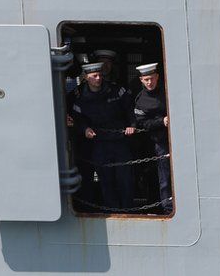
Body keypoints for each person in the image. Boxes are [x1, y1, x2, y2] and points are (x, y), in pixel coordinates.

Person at [71, 62, 136, 211]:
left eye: (100, 75)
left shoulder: (116, 90)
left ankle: (128, 210)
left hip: (120, 140)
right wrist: (84, 129)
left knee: (125, 179)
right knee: (106, 180)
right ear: (87, 78)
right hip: (99, 143)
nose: (99, 78)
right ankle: (112, 210)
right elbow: (77, 117)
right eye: (94, 76)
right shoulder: (79, 95)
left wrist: (132, 125)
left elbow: (129, 109)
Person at [132, 63, 172, 213]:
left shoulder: (167, 91)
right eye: (146, 79)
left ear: (157, 77)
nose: (150, 82)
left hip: (175, 138)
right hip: (158, 141)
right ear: (141, 80)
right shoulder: (141, 101)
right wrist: (161, 121)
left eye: (152, 78)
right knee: (164, 177)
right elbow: (142, 122)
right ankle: (167, 207)